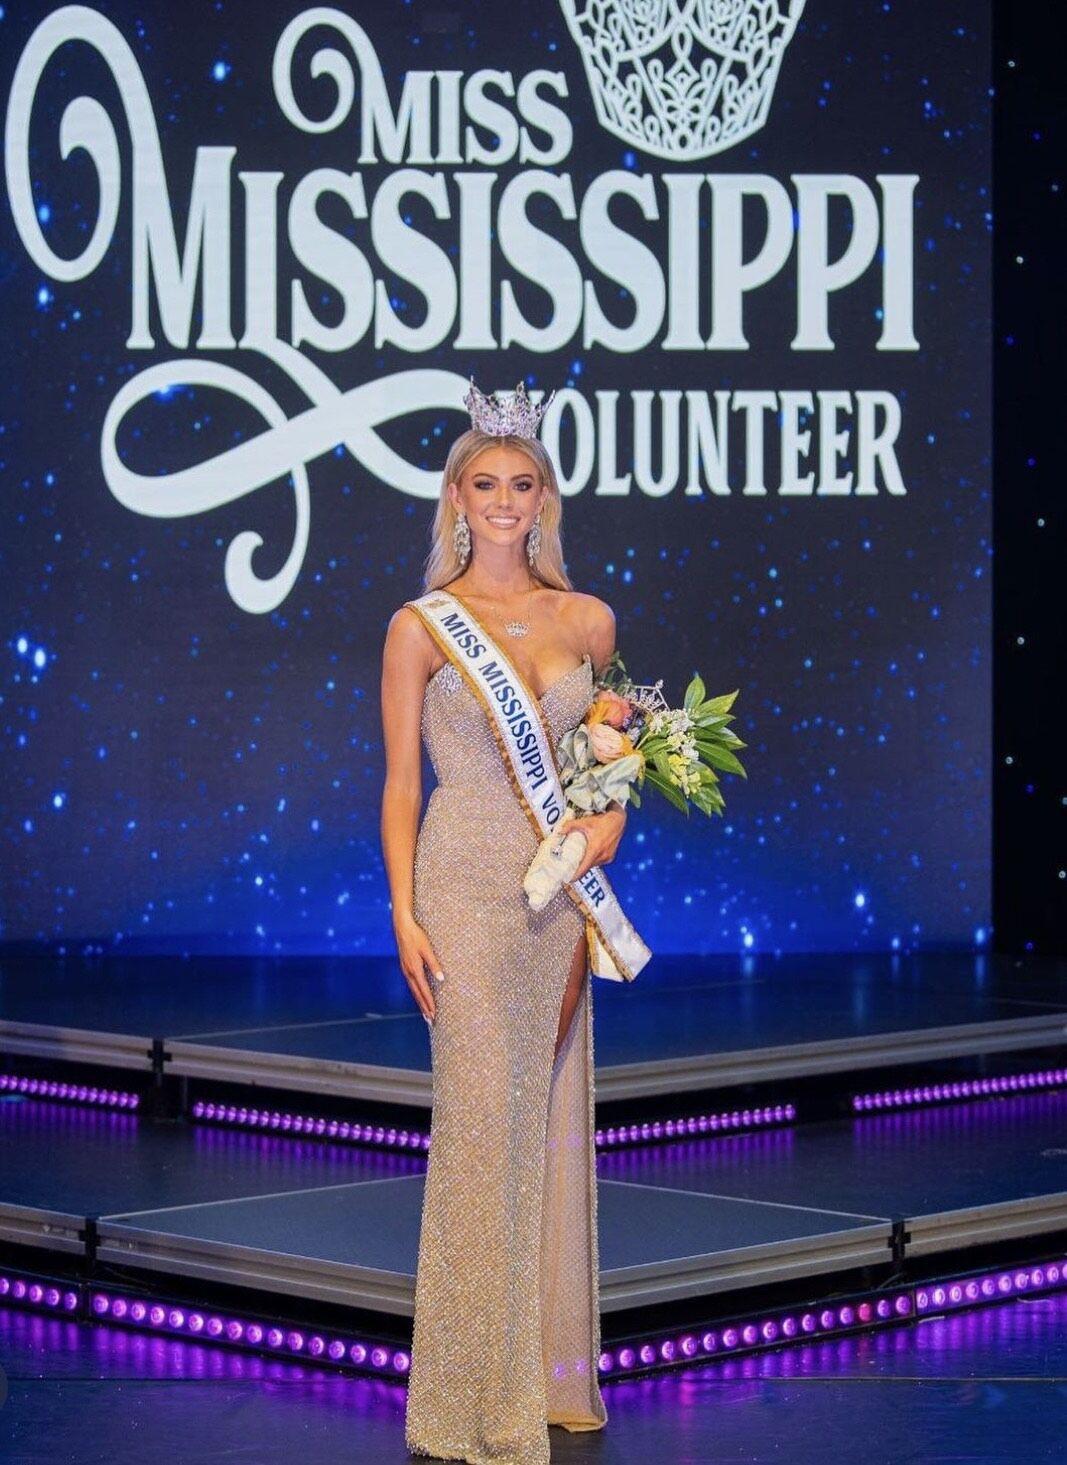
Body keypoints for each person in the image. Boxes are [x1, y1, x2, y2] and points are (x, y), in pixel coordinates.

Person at [380, 381, 629, 1464]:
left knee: (529, 1127)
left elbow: (609, 764)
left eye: (519, 484)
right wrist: (400, 911)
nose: (501, 501)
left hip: (552, 897)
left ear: (543, 499)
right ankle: (464, 1404)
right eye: (482, 483)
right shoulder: (419, 626)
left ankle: (523, 1381)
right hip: (465, 892)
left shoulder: (587, 619)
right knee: (478, 1129)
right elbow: (398, 785)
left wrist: (611, 816)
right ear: (455, 497)